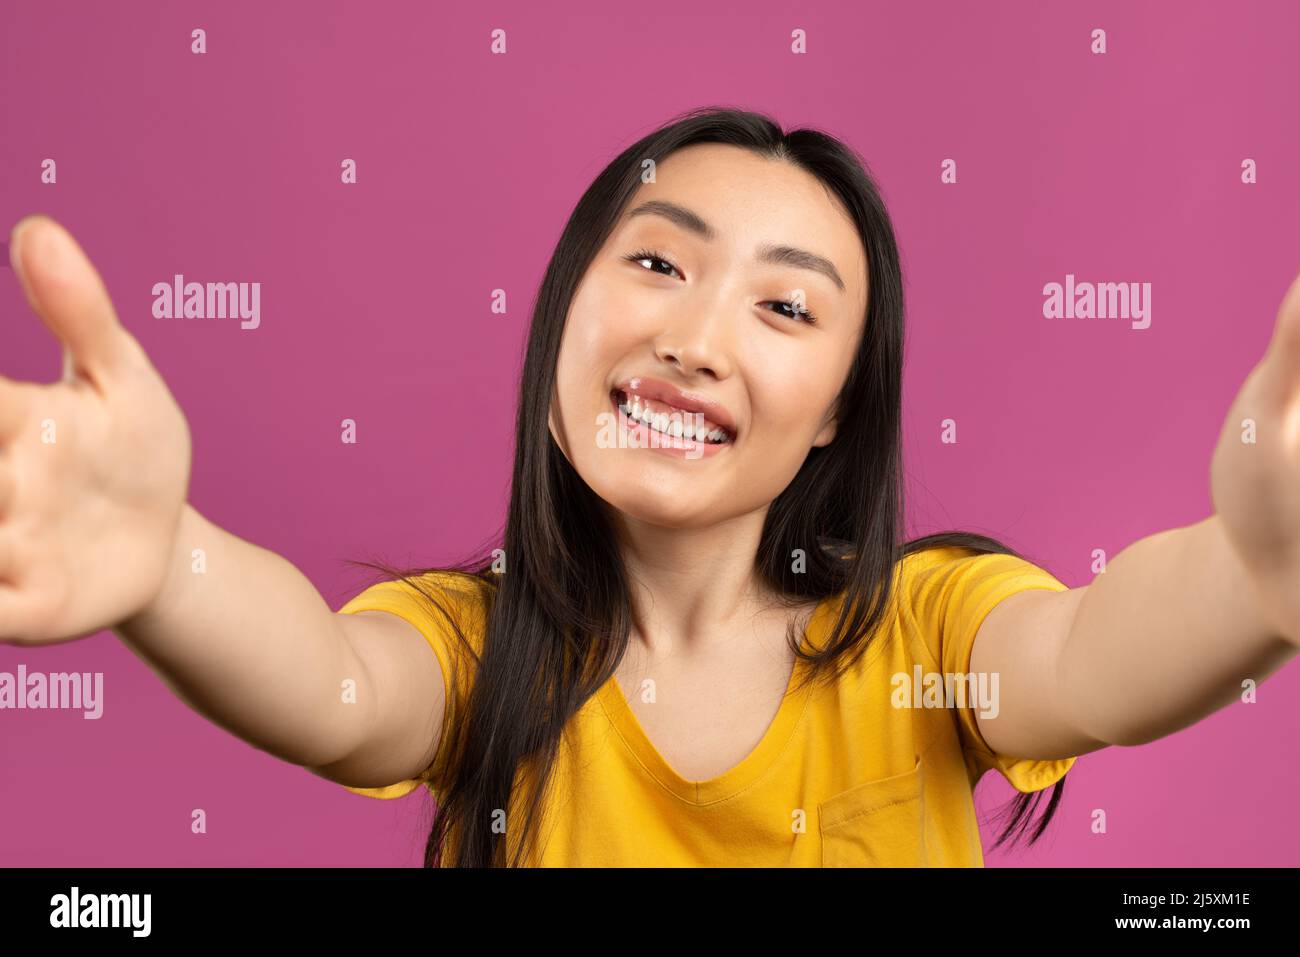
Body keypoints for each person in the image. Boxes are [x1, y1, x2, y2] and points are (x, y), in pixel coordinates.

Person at [3, 107, 1298, 868]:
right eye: (660, 266)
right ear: (561, 320)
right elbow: (325, 688)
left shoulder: (926, 634)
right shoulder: (476, 647)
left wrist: (1256, 577)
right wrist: (162, 561)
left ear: (841, 408)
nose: (697, 336)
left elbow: (1095, 655)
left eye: (785, 304)